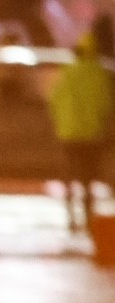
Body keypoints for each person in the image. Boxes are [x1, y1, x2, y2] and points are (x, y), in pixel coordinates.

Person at [51, 33, 115, 230]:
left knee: (70, 177)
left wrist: (62, 123)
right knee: (88, 179)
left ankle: (70, 217)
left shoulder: (67, 73)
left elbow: (54, 100)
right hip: (92, 135)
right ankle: (88, 217)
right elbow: (106, 105)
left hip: (68, 134)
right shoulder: (99, 74)